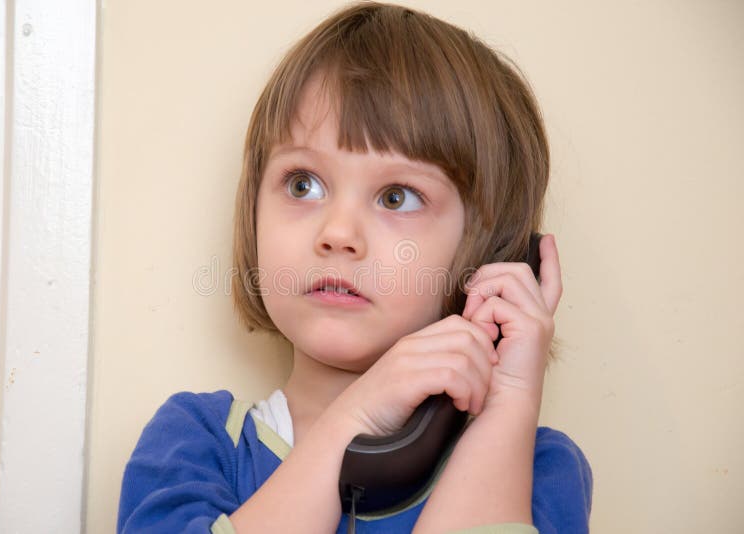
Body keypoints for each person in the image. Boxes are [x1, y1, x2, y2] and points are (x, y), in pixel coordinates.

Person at [117, 2, 593, 533]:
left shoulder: (531, 467)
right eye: (303, 184)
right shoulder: (195, 442)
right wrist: (355, 417)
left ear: (493, 256)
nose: (338, 233)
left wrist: (507, 402)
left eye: (396, 197)